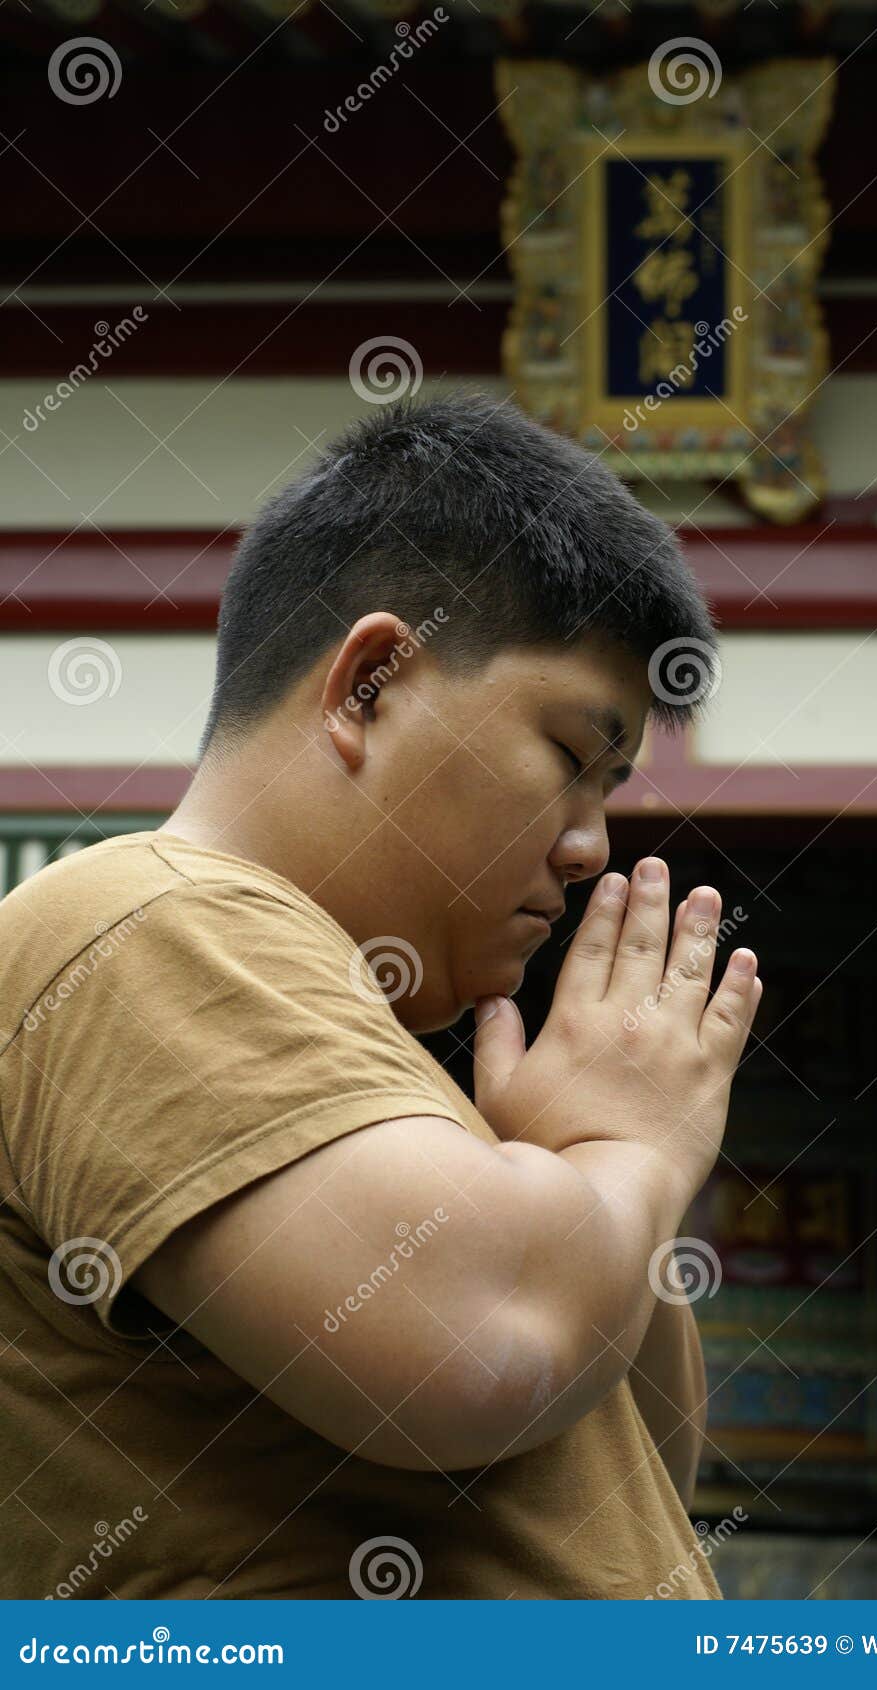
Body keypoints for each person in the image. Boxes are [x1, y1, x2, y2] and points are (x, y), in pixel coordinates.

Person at [0, 393, 761, 1600]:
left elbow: (634, 1460)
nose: (589, 846)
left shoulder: (378, 1050)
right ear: (369, 684)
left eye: (612, 787)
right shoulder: (148, 922)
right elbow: (483, 1357)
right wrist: (631, 1145)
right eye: (572, 757)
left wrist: (578, 1165)